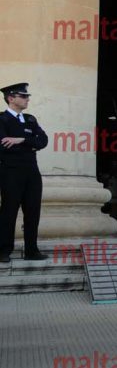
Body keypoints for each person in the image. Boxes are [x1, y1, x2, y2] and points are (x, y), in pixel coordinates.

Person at [0, 83, 48, 263]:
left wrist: (21, 140)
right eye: (23, 96)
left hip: (31, 172)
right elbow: (3, 145)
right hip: (11, 171)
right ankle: (4, 250)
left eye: (27, 96)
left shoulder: (30, 119)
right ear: (11, 98)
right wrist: (30, 143)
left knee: (33, 210)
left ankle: (31, 250)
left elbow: (43, 141)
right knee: (8, 211)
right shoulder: (2, 119)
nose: (27, 99)